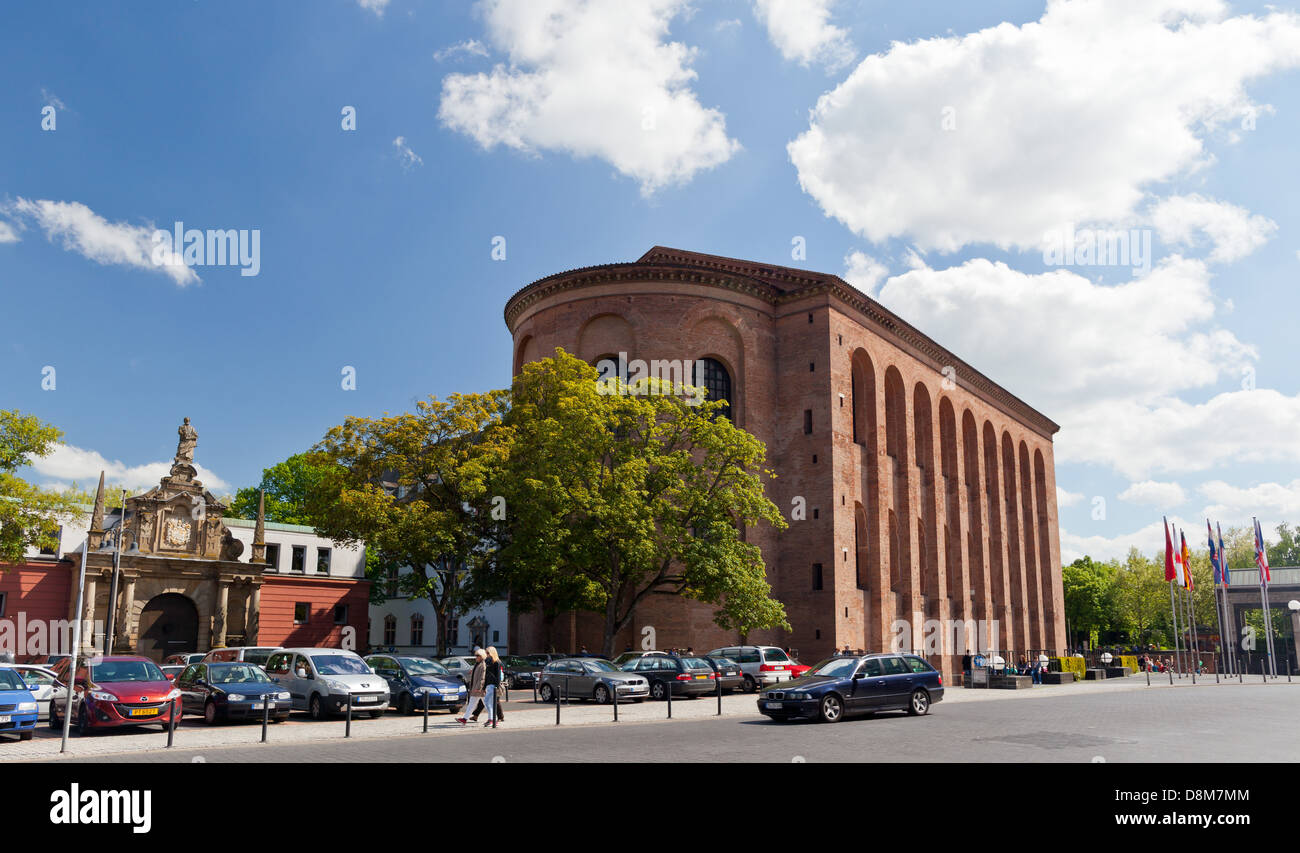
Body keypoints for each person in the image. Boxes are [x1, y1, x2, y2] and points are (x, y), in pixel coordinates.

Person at [456, 649, 486, 726]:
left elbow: (482, 678)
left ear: (482, 656)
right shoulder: (477, 664)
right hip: (475, 688)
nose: (476, 657)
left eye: (478, 655)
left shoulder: (483, 665)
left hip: (478, 689)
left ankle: (492, 719)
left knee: (487, 704)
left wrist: (479, 688)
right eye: (476, 655)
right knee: (472, 704)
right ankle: (464, 719)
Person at [483, 646, 503, 729]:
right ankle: (491, 719)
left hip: (493, 685)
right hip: (488, 684)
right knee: (489, 703)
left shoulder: (497, 662)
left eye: (488, 653)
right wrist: (484, 687)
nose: (486, 655)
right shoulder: (487, 661)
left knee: (487, 701)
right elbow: (486, 675)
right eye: (486, 653)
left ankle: (492, 719)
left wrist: (497, 686)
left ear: (492, 653)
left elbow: (498, 676)